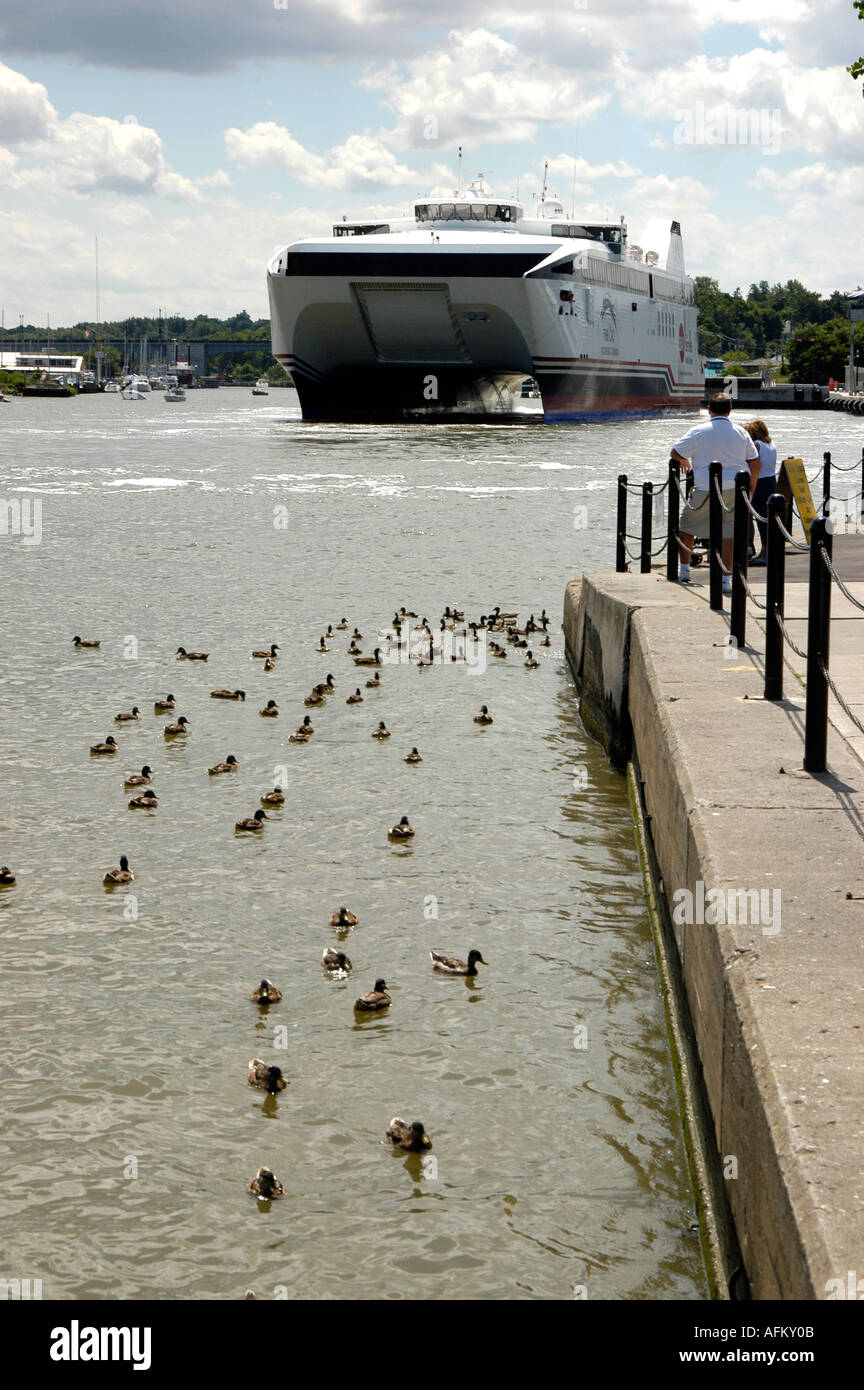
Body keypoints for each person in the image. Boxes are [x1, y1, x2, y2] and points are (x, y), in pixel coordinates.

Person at [671, 394, 759, 593]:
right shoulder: (741, 432)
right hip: (735, 489)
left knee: (686, 526)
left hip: (706, 489)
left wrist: (683, 460)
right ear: (729, 410)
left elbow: (675, 451)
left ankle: (684, 570)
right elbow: (754, 462)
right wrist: (751, 490)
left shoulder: (698, 431)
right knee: (728, 535)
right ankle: (725, 579)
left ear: (709, 409)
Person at [743, 419, 778, 565]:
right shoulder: (771, 444)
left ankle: (765, 553)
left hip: (760, 482)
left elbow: (750, 461)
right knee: (767, 517)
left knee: (761, 519)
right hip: (770, 480)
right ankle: (765, 551)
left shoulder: (756, 444)